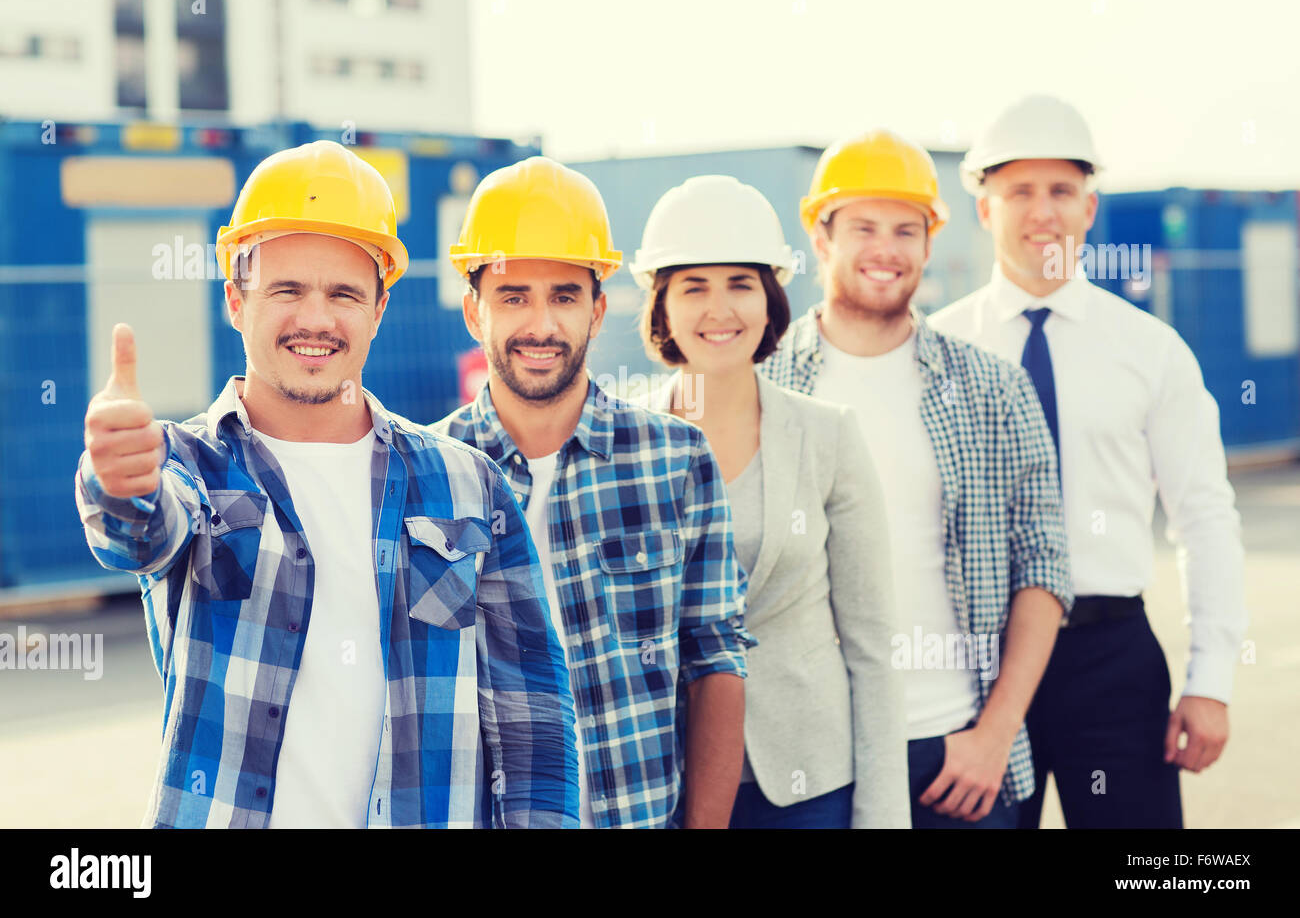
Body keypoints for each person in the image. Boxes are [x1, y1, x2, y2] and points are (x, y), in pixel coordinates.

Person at [75, 140, 577, 828]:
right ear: (235, 299)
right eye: (286, 290)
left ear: (378, 309)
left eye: (343, 293)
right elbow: (137, 528)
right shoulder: (187, 464)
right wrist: (118, 478)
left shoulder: (469, 487)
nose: (315, 318)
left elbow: (534, 728)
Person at [930, 94, 1248, 828]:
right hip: (970, 663)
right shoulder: (936, 351)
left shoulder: (1150, 351)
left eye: (1062, 191)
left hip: (1109, 662)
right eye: (1020, 191)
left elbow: (1204, 517)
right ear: (984, 209)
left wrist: (1212, 680)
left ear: (1091, 207)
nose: (1043, 211)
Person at [758, 130, 1073, 828]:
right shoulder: (763, 386)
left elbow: (1045, 566)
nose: (886, 249)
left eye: (907, 229)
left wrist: (995, 734)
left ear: (930, 244)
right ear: (820, 237)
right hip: (812, 762)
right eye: (863, 227)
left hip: (955, 756)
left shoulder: (993, 388)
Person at [432, 157, 755, 829]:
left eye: (565, 296)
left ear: (599, 309)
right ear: (473, 310)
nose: (541, 326)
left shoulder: (676, 459)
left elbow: (715, 656)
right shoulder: (427, 476)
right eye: (513, 295)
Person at [631, 175, 910, 828]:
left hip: (807, 786)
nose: (719, 309)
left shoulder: (828, 435)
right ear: (663, 307)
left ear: (771, 299)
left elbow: (873, 646)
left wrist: (883, 816)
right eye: (693, 286)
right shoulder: (621, 440)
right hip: (663, 783)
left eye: (740, 283)